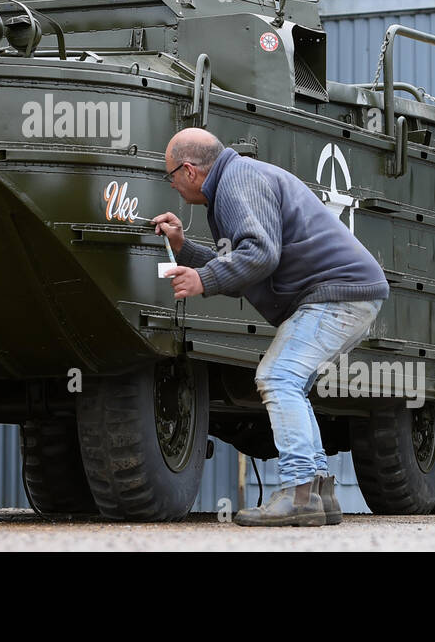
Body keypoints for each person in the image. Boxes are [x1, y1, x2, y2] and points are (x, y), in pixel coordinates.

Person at [153, 127, 389, 526]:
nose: (172, 184)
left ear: (189, 170)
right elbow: (247, 265)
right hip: (348, 293)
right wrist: (184, 249)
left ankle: (299, 493)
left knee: (277, 376)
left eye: (170, 175)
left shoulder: (237, 181)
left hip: (336, 295)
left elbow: (260, 254)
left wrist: (203, 280)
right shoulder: (238, 177)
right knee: (290, 380)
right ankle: (317, 493)